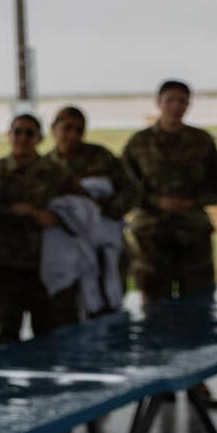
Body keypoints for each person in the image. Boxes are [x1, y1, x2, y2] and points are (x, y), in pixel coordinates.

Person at [124, 80, 217, 304]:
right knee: (154, 305)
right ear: (159, 102)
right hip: (151, 237)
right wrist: (156, 202)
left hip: (193, 235)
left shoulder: (202, 141)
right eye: (170, 100)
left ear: (188, 104)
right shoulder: (139, 142)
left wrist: (192, 203)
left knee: (198, 302)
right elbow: (126, 188)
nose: (176, 106)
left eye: (182, 101)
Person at [0, 115, 76, 345]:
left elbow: (79, 211)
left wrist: (53, 218)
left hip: (45, 266)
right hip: (5, 265)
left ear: (40, 139)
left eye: (30, 133)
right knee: (3, 335)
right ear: (8, 136)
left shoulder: (57, 172)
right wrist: (14, 213)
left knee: (50, 336)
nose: (22, 138)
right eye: (17, 132)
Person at [49, 105, 139, 311]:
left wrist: (101, 210)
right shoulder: (46, 165)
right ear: (54, 128)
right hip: (66, 253)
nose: (73, 135)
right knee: (67, 310)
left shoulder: (101, 157)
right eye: (67, 128)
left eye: (79, 130)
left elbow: (131, 191)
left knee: (109, 307)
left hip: (104, 249)